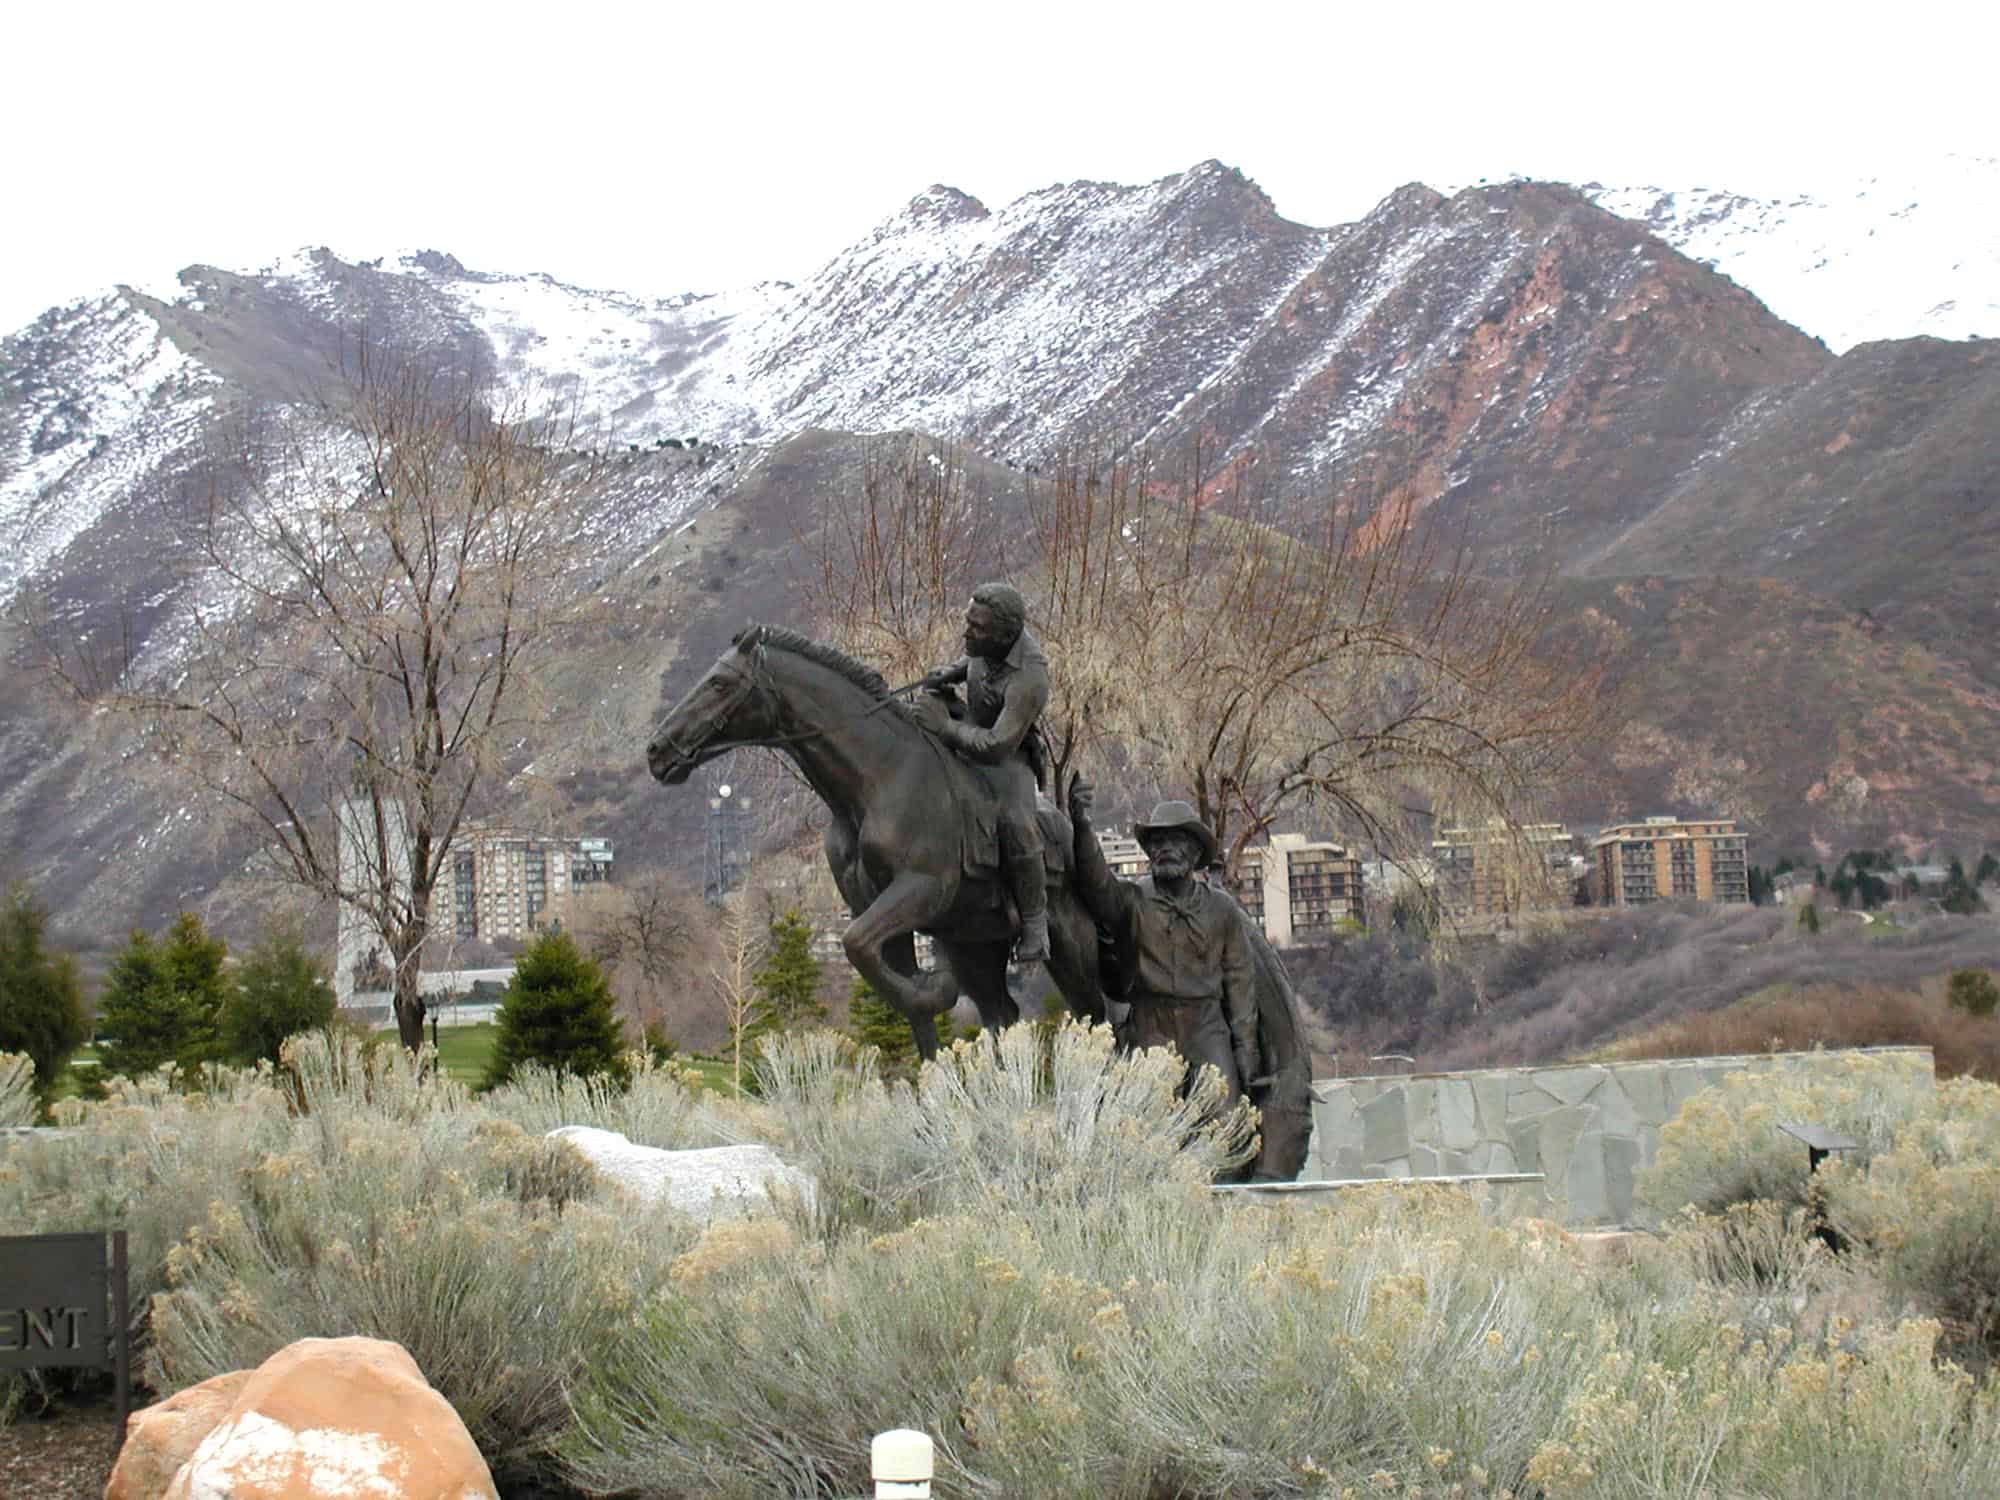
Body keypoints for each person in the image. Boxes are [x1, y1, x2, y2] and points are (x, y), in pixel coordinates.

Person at [1066, 780, 1261, 1103]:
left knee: (1226, 1122)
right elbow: (1098, 885)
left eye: (1176, 839)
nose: (1166, 847)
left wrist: (1245, 1048)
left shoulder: (1222, 908)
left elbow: (1240, 981)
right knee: (1148, 1127)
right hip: (1150, 1028)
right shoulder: (1132, 899)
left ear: (1196, 852)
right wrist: (1082, 827)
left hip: (1206, 1029)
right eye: (1158, 840)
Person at [914, 582, 1052, 962]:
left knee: (1016, 824)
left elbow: (996, 746)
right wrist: (948, 675)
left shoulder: (1030, 678)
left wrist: (944, 727)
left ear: (1005, 635)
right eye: (967, 622)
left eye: (976, 628)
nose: (966, 632)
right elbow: (974, 662)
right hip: (970, 729)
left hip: (1007, 760)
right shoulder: (986, 645)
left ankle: (1036, 924)